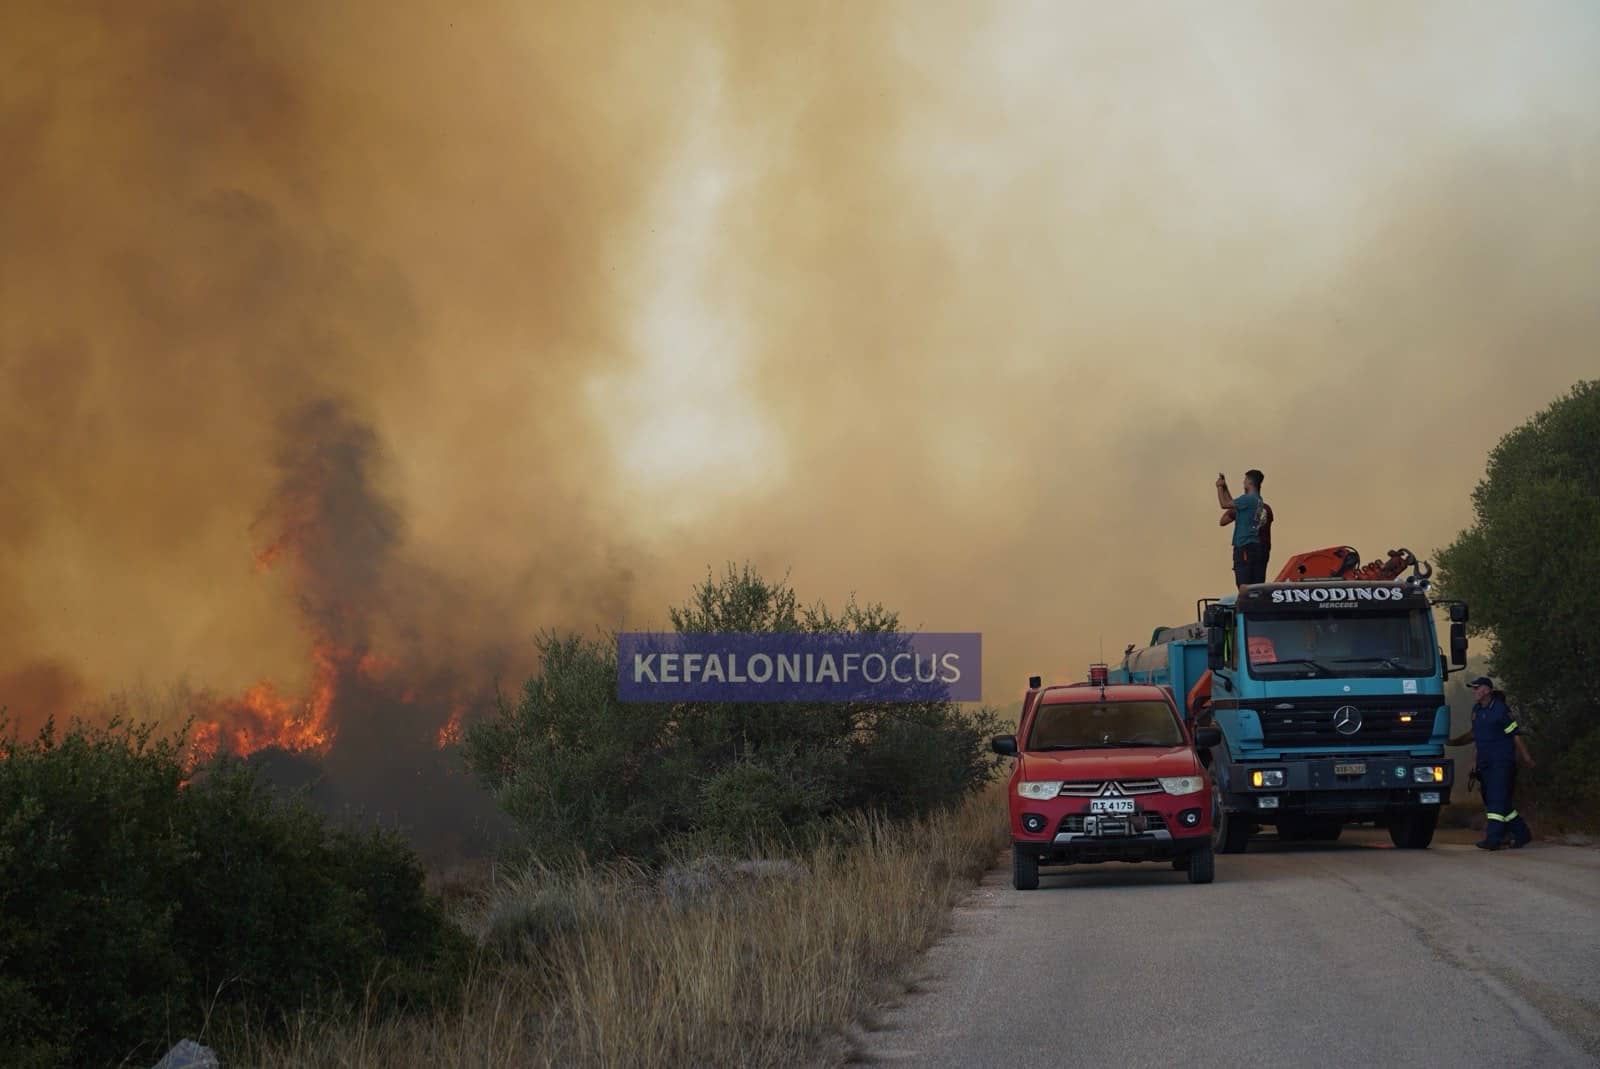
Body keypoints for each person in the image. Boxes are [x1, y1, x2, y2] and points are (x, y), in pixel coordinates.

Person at [1447, 676, 1534, 850]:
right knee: (1500, 802)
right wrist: (1454, 744)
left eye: (1476, 688)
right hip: (1485, 763)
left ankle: (1493, 839)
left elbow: (1515, 736)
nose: (1474, 691)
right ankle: (1522, 833)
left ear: (1486, 690)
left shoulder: (1501, 710)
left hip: (1501, 762)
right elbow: (1475, 735)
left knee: (1495, 801)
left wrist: (1526, 757)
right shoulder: (1477, 710)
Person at [1215, 469, 1269, 592]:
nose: (1243, 483)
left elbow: (1224, 504)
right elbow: (1232, 504)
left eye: (1245, 480)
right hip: (1255, 547)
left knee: (1244, 587)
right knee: (1255, 588)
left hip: (1245, 547)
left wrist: (1219, 487)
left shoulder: (1248, 499)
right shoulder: (1258, 500)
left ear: (1249, 482)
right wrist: (1225, 487)